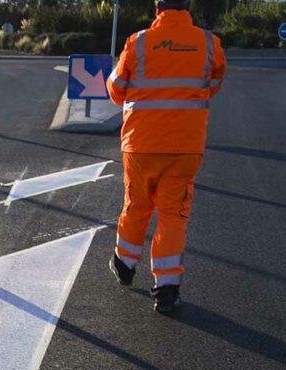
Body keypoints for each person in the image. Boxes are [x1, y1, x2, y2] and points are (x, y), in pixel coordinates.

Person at [106, 0, 225, 313]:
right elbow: (214, 83)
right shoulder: (209, 43)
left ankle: (125, 265)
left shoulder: (138, 42)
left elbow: (116, 89)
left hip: (140, 143)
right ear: (187, 6)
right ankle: (166, 289)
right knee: (173, 215)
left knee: (136, 205)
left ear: (157, 6)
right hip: (185, 146)